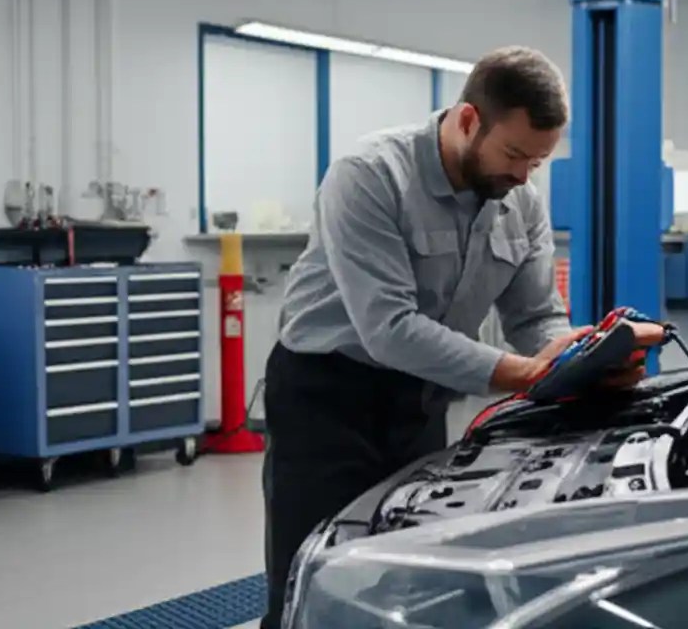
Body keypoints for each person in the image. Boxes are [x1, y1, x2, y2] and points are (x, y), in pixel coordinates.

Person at [259, 45, 644, 627]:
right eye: (513, 154)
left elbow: (535, 316)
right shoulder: (369, 176)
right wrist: (523, 374)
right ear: (468, 120)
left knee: (410, 568)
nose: (523, 175)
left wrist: (576, 361)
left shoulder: (520, 199)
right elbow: (390, 329)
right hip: (326, 396)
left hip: (421, 394)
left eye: (537, 162)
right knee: (308, 576)